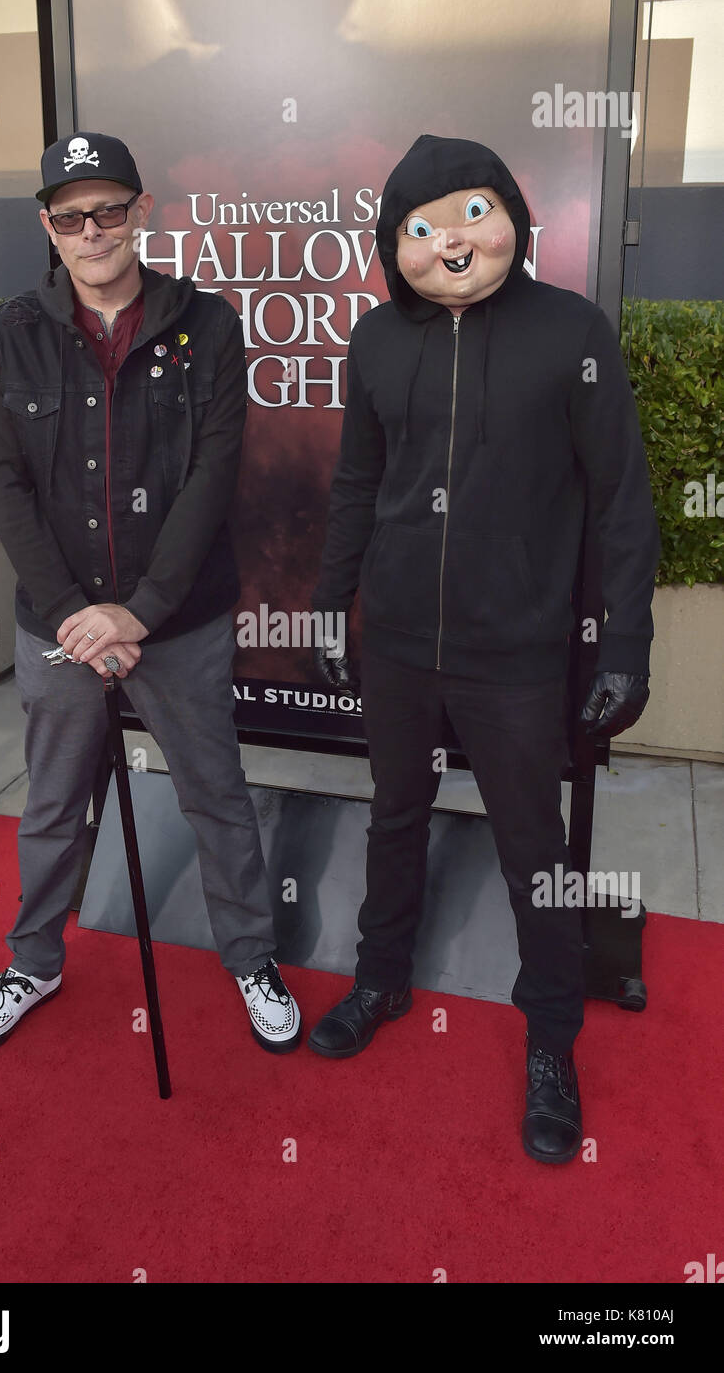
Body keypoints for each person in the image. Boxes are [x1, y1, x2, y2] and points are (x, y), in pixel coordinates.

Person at [308, 134, 660, 1164]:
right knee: (393, 819)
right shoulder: (375, 340)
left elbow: (623, 506)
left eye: (469, 211)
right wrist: (331, 606)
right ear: (393, 245)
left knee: (531, 855)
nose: (449, 240)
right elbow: (354, 489)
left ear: (508, 212)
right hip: (402, 642)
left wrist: (624, 647)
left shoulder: (571, 331)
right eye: (420, 226)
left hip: (517, 652)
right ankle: (379, 979)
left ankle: (549, 1038)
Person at [0, 131, 301, 1059]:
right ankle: (33, 960)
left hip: (177, 623)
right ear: (49, 228)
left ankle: (251, 958)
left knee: (216, 795)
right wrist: (78, 614)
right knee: (52, 806)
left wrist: (139, 611)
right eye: (71, 216)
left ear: (140, 212)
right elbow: (4, 485)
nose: (92, 229)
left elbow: (212, 477)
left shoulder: (208, 323)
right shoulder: (8, 333)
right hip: (57, 624)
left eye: (110, 209)